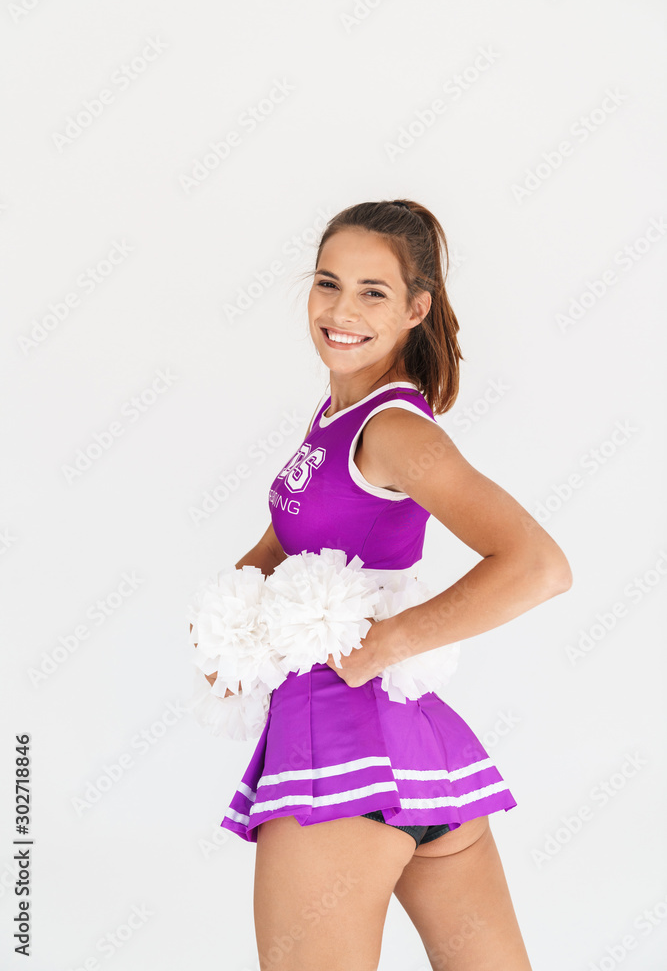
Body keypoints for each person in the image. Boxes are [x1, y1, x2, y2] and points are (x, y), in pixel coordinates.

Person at [195, 199, 572, 970]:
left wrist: (385, 643)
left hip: (341, 762)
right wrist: (229, 631)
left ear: (415, 308)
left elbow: (537, 565)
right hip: (420, 762)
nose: (339, 310)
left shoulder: (394, 431)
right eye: (327, 283)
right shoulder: (337, 414)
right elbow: (283, 539)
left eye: (372, 292)